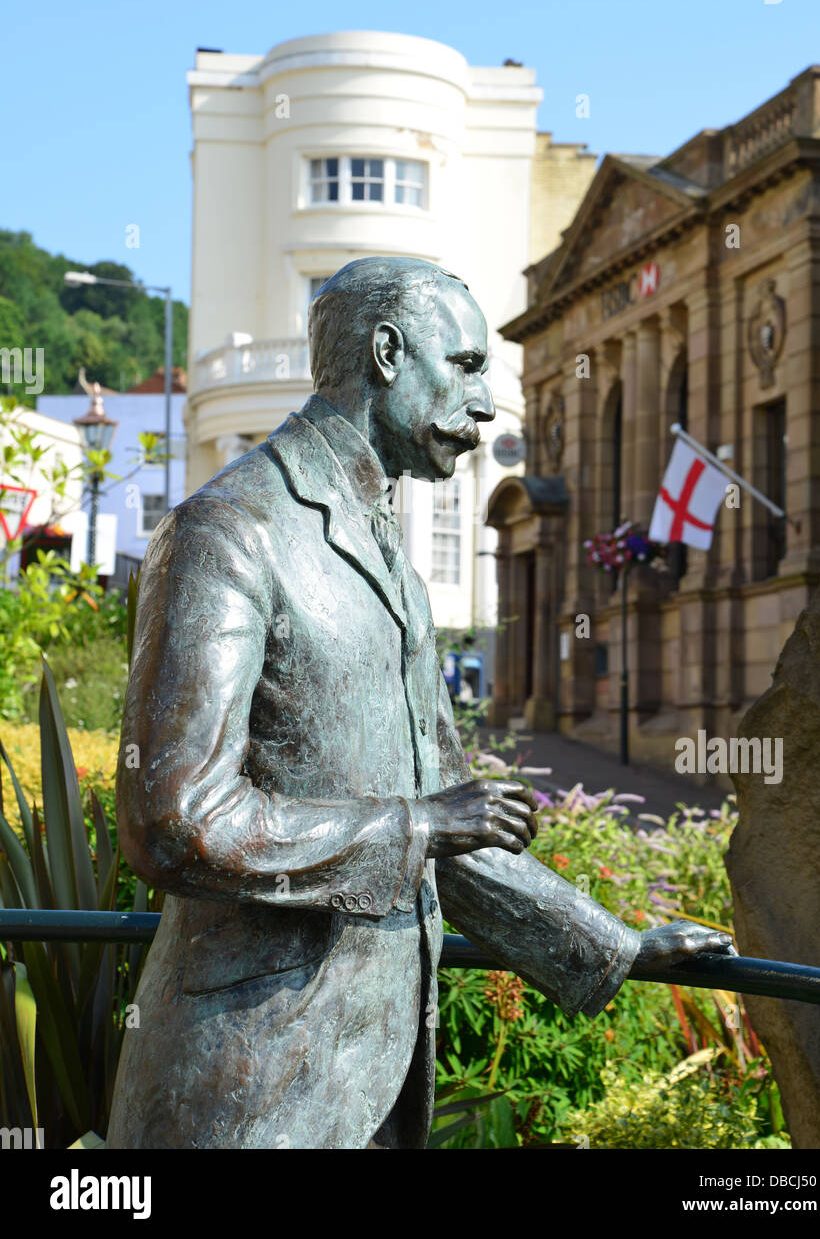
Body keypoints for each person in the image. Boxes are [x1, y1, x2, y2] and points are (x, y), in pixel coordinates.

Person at [107, 257, 734, 1149]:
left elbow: (449, 818)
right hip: (248, 1091)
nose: (484, 406)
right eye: (468, 365)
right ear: (389, 353)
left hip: (377, 1084)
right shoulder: (228, 530)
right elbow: (174, 819)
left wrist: (611, 946)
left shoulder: (395, 567)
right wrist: (417, 824)